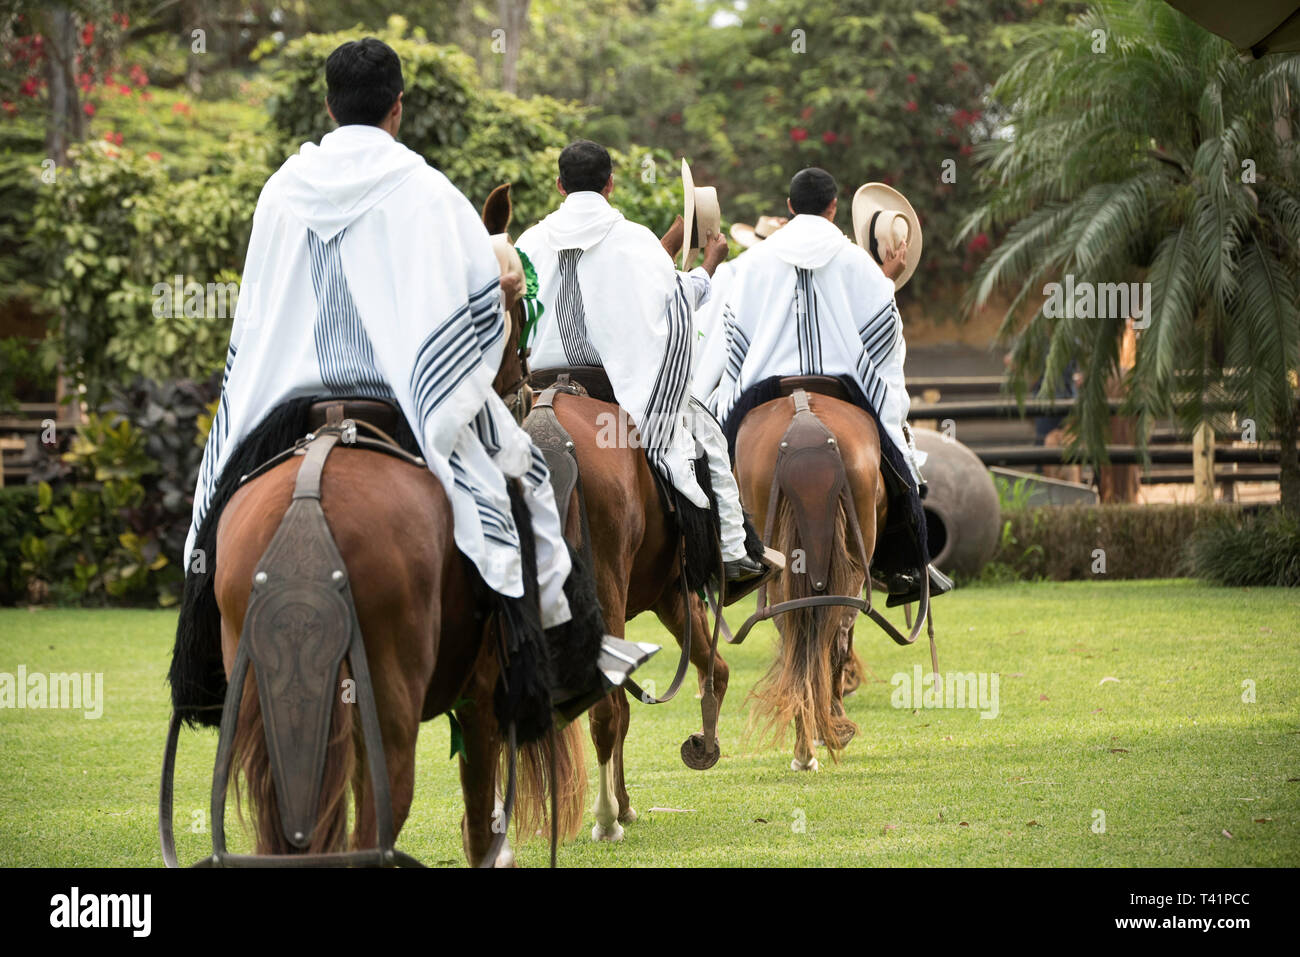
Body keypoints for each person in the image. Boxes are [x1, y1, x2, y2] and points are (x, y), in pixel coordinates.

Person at [183, 38, 648, 716]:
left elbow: (255, 321)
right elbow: (481, 312)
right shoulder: (430, 192)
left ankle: (200, 662)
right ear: (397, 108)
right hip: (405, 405)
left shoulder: (279, 192)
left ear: (328, 105)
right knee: (526, 484)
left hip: (281, 410)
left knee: (211, 508)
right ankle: (550, 657)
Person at [514, 140, 764, 583]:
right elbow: (673, 301)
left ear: (558, 186)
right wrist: (707, 267)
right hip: (613, 392)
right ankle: (730, 551)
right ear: (611, 184)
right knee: (702, 435)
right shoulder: (634, 240)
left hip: (536, 392)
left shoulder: (529, 241)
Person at [706, 166, 949, 602]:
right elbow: (885, 346)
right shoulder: (860, 262)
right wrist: (885, 283)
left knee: (715, 469)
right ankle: (908, 565)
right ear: (834, 207)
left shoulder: (750, 265)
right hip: (845, 389)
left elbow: (732, 339)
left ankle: (723, 559)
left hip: (765, 391)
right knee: (897, 467)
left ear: (789, 207)